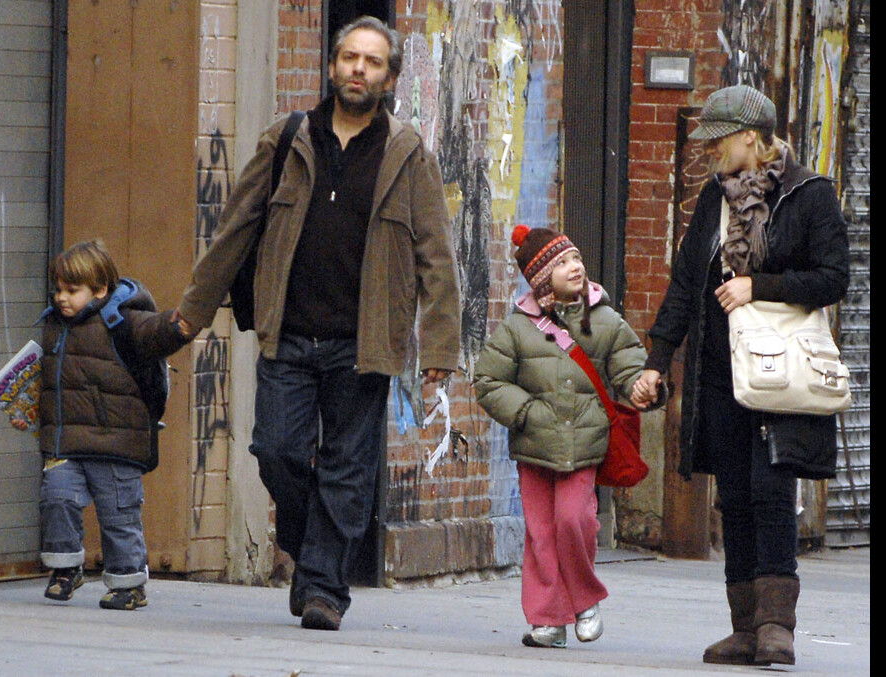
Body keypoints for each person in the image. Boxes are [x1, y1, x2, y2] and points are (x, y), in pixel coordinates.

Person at [170, 16, 461, 631]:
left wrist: (439, 345)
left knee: (348, 470)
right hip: (290, 333)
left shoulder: (408, 155)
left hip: (365, 342)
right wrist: (193, 312)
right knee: (275, 451)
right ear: (331, 67)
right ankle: (314, 556)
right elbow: (236, 229)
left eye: (373, 61)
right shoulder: (287, 139)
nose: (359, 69)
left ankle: (324, 589)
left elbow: (436, 255)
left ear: (390, 76)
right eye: (349, 57)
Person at [629, 84, 850, 666]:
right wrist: (655, 364)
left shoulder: (809, 195)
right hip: (719, 373)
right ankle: (745, 628)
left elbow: (832, 279)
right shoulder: (713, 201)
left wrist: (761, 286)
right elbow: (683, 287)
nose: (708, 155)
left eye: (717, 143)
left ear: (751, 139)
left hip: (782, 372)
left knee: (771, 488)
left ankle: (777, 625)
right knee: (734, 497)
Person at [473, 225, 661, 649]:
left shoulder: (606, 321)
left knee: (575, 521)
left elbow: (628, 368)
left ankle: (584, 598)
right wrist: (525, 412)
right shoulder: (518, 328)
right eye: (561, 263)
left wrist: (642, 388)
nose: (574, 267)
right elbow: (487, 380)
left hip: (585, 445)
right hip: (534, 446)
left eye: (574, 258)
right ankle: (547, 619)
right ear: (542, 280)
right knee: (541, 533)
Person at [11, 240, 190, 610]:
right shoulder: (54, 327)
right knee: (56, 498)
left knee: (119, 515)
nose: (62, 298)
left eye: (71, 291)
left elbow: (156, 332)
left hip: (116, 443)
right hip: (66, 442)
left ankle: (128, 583)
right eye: (58, 289)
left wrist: (181, 324)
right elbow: (46, 385)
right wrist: (25, 413)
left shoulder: (124, 321)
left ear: (100, 290)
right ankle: (65, 568)